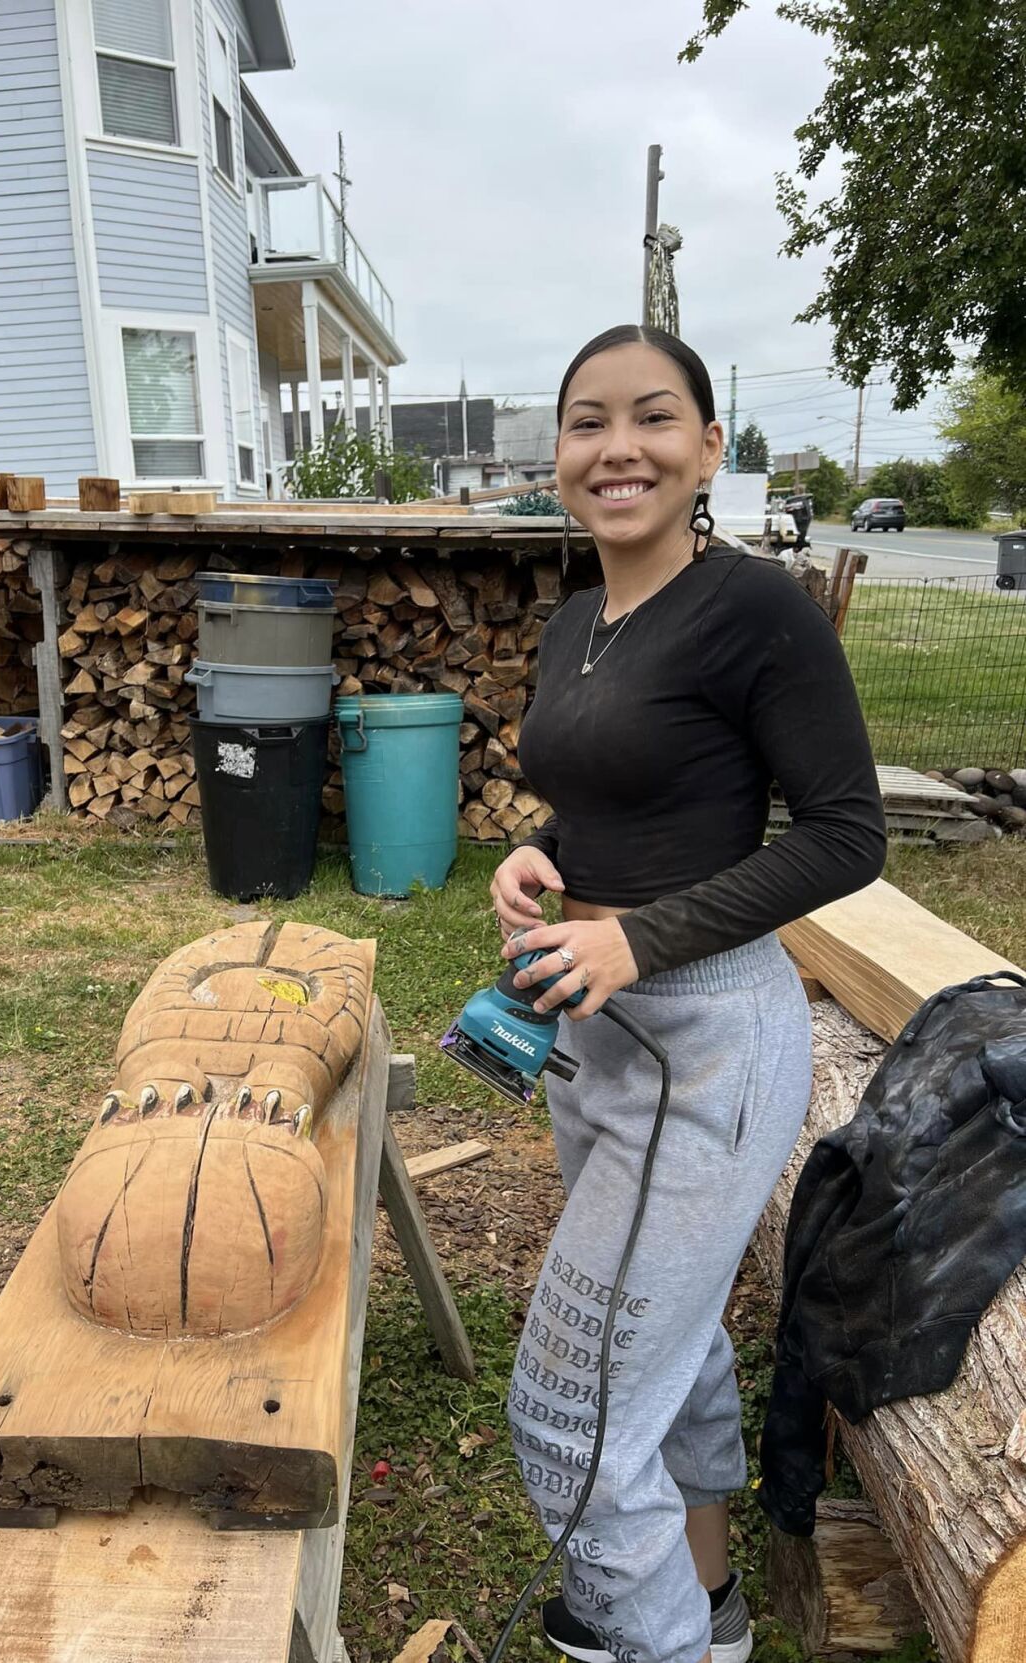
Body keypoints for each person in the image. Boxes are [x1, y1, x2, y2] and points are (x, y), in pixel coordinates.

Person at [489, 324, 885, 1663]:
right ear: (558, 458)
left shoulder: (754, 606)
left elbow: (844, 835)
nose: (619, 448)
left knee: (568, 1407)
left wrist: (639, 942)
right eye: (587, 422)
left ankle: (654, 1640)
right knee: (676, 1349)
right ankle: (703, 1607)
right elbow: (617, 794)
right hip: (593, 1038)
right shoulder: (576, 618)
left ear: (710, 446)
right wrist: (547, 857)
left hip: (706, 1040)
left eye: (654, 418)